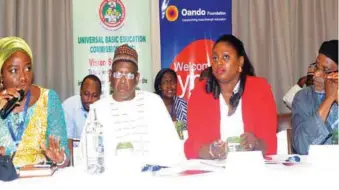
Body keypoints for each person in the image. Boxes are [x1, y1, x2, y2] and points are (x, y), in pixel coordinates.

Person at [81, 44, 183, 167]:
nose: (123, 81)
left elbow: (174, 150)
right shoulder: (98, 109)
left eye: (129, 75)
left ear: (137, 78)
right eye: (118, 74)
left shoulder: (153, 103)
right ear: (109, 76)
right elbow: (85, 157)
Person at [184, 34, 277, 160]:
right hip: (212, 172)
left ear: (240, 62)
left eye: (226, 57)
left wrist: (255, 143)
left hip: (252, 169)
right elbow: (191, 147)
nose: (219, 62)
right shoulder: (200, 92)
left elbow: (270, 144)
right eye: (215, 58)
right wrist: (211, 150)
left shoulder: (260, 89)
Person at [0, 37, 69, 168]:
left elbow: (65, 158)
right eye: (14, 70)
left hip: (39, 181)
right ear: (1, 76)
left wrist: (60, 159)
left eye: (28, 68)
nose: (23, 77)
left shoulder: (48, 99)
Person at [292, 40, 338, 155]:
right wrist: (329, 99)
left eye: (326, 70)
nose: (317, 74)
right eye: (317, 67)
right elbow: (302, 146)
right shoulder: (303, 97)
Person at [63, 74, 101, 139]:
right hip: (74, 148)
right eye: (86, 94)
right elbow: (67, 139)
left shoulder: (104, 107)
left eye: (94, 95)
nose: (89, 99)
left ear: (99, 96)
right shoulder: (68, 106)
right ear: (80, 92)